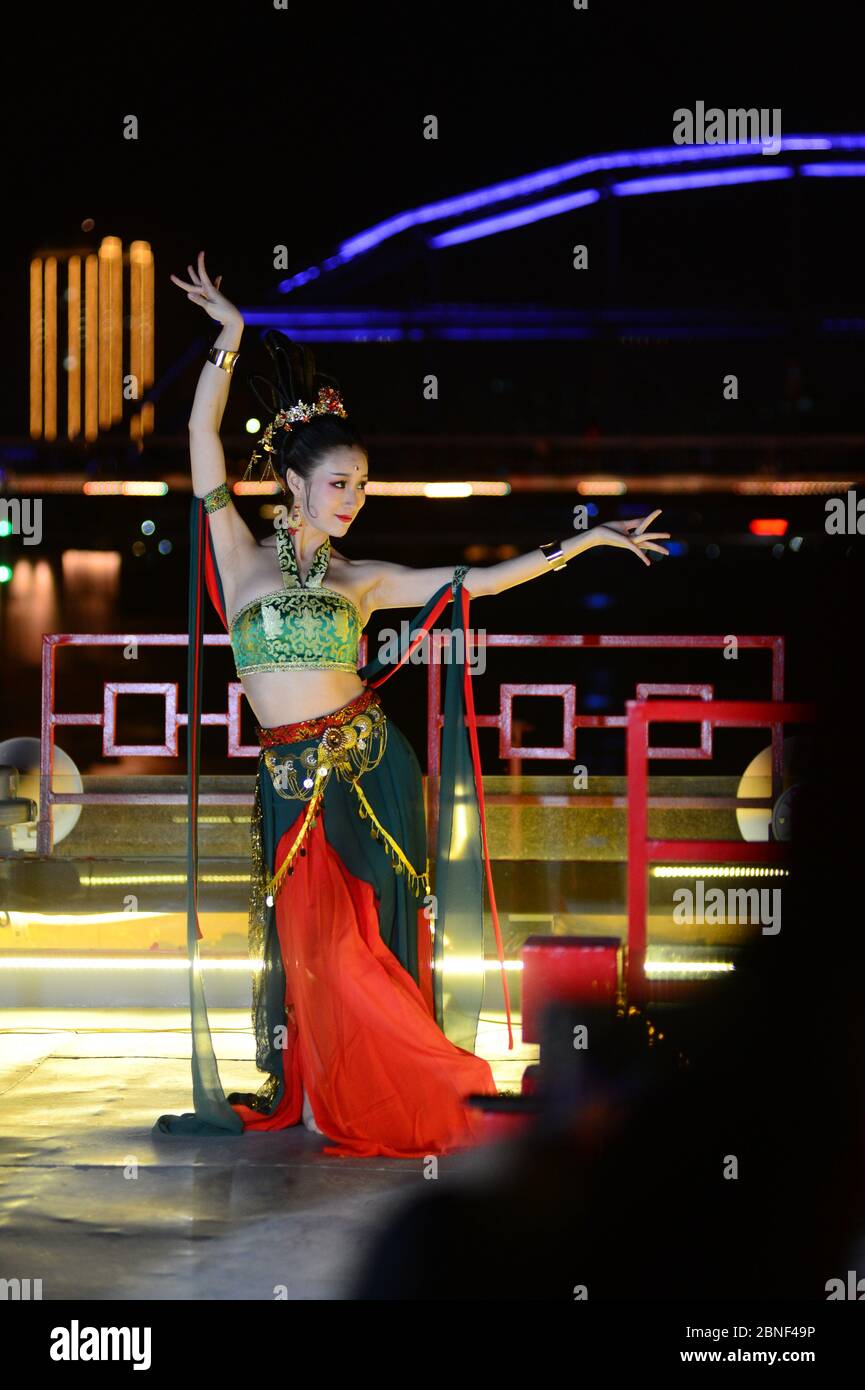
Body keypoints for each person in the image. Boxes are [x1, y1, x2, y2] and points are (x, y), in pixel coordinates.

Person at [153, 252, 669, 1159]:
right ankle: (331, 1087)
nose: (355, 499)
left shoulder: (364, 577)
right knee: (312, 952)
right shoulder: (232, 550)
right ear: (293, 484)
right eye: (340, 484)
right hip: (286, 779)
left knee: (365, 952)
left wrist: (579, 544)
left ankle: (415, 1090)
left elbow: (479, 580)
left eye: (362, 484)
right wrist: (229, 338)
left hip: (367, 769)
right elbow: (201, 433)